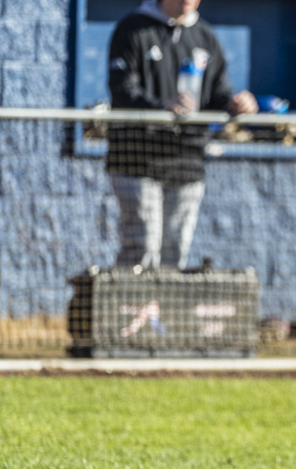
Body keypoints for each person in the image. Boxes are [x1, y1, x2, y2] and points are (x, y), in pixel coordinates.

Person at [106, 0, 257, 271]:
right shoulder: (132, 29)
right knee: (143, 247)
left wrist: (236, 104)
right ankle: (128, 313)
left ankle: (161, 313)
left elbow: (219, 94)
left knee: (174, 251)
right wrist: (162, 106)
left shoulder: (205, 36)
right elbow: (121, 88)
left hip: (187, 162)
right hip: (137, 161)